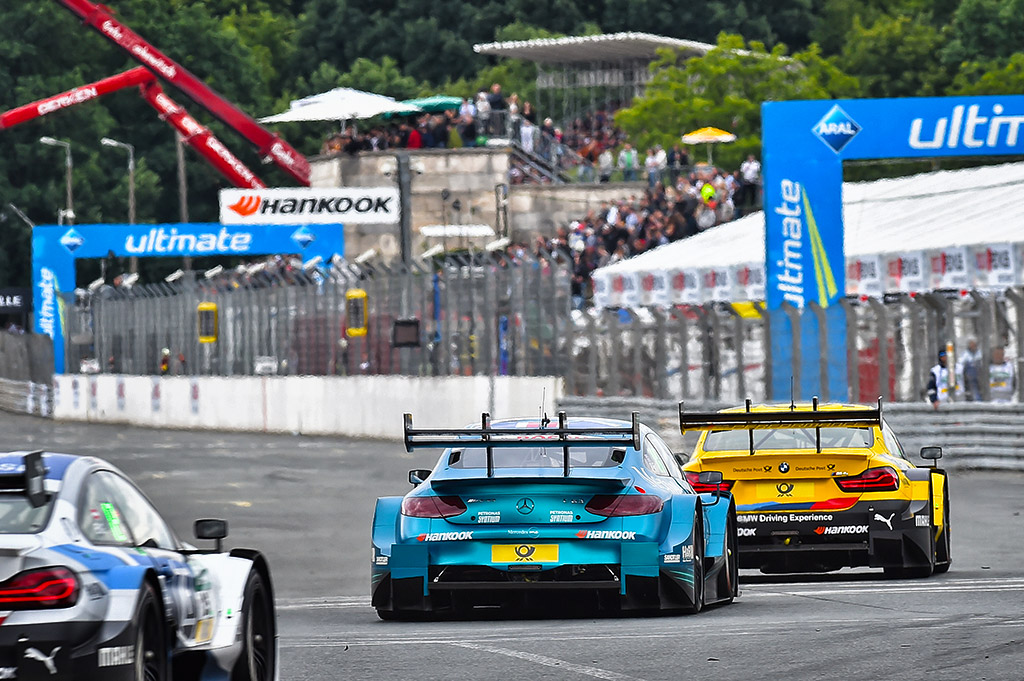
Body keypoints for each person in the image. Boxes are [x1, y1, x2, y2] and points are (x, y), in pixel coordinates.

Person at [958, 337, 983, 401]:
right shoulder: (965, 354)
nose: (973, 346)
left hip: (980, 377)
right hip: (969, 379)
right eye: (971, 344)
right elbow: (961, 364)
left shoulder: (980, 353)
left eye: (974, 344)